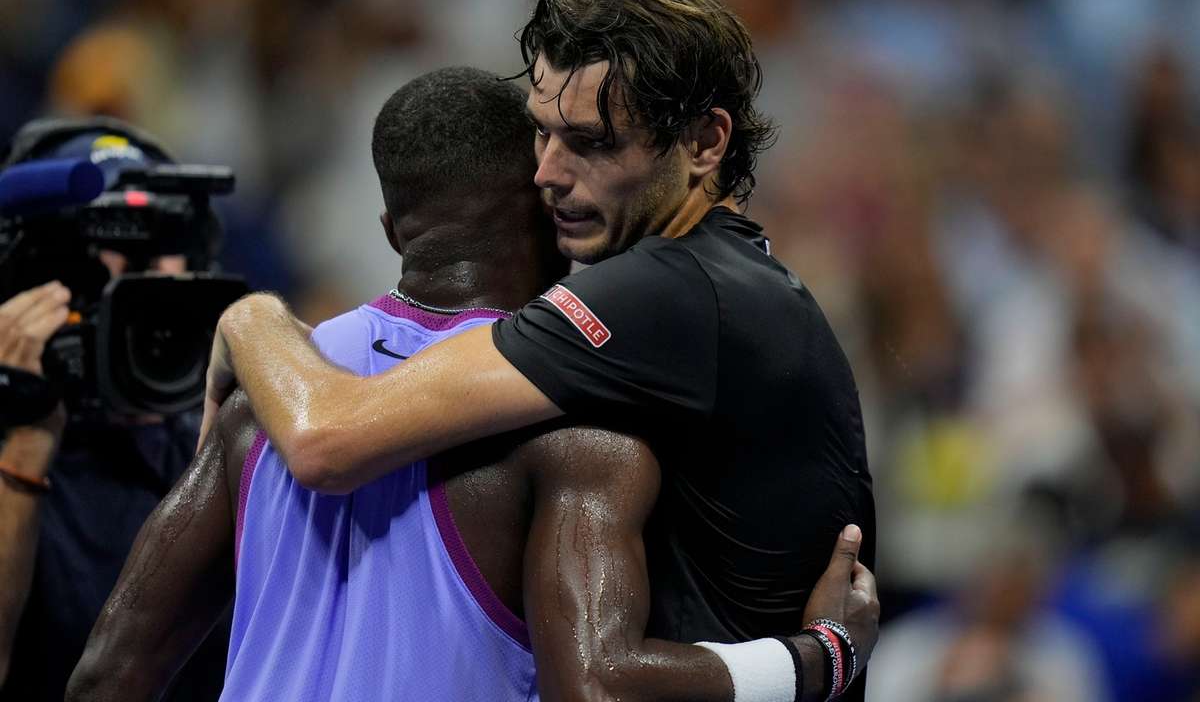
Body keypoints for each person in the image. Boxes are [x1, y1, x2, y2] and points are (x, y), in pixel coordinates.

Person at [69, 67, 877, 701]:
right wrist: (819, 659)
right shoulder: (574, 432)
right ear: (546, 197)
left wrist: (249, 319)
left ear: (393, 229)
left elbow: (106, 678)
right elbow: (597, 686)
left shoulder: (258, 409)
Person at [0, 119, 229, 701]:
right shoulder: (14, 437)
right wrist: (26, 436)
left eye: (161, 255)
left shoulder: (222, 444)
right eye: (120, 259)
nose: (145, 292)